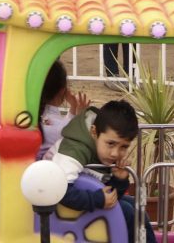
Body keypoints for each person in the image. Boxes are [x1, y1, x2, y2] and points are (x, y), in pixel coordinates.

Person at [49, 99, 149, 243]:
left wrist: (119, 180)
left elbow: (111, 195)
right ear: (94, 132)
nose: (115, 153)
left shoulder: (102, 148)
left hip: (81, 200)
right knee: (126, 211)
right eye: (111, 144)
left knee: (136, 207)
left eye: (124, 147)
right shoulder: (74, 150)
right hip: (56, 209)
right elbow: (59, 190)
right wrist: (97, 199)